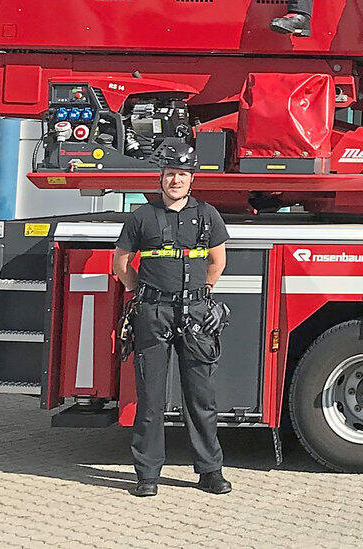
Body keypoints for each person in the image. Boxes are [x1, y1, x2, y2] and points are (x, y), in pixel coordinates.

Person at [111, 145, 231, 497]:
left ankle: (210, 472)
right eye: (169, 174)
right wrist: (140, 293)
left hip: (195, 315)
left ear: (192, 178)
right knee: (150, 400)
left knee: (200, 398)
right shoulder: (141, 217)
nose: (175, 179)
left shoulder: (208, 216)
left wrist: (203, 292)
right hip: (153, 314)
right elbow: (121, 263)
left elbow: (218, 261)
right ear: (160, 178)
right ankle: (147, 476)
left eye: (182, 174)